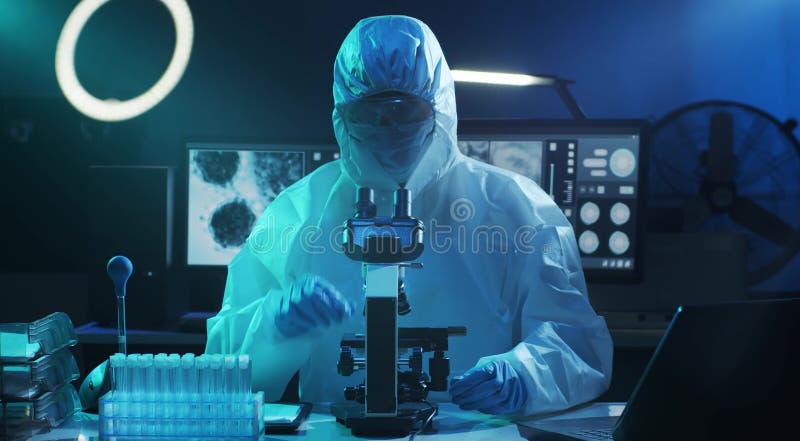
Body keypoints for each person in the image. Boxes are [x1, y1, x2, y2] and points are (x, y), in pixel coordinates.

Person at [206, 15, 613, 416]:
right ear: (343, 118)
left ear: (439, 106)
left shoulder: (519, 210)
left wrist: (523, 377)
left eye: (406, 112)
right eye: (371, 115)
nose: (390, 128)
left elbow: (574, 342)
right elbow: (221, 377)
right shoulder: (298, 213)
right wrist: (273, 330)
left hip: (476, 436)